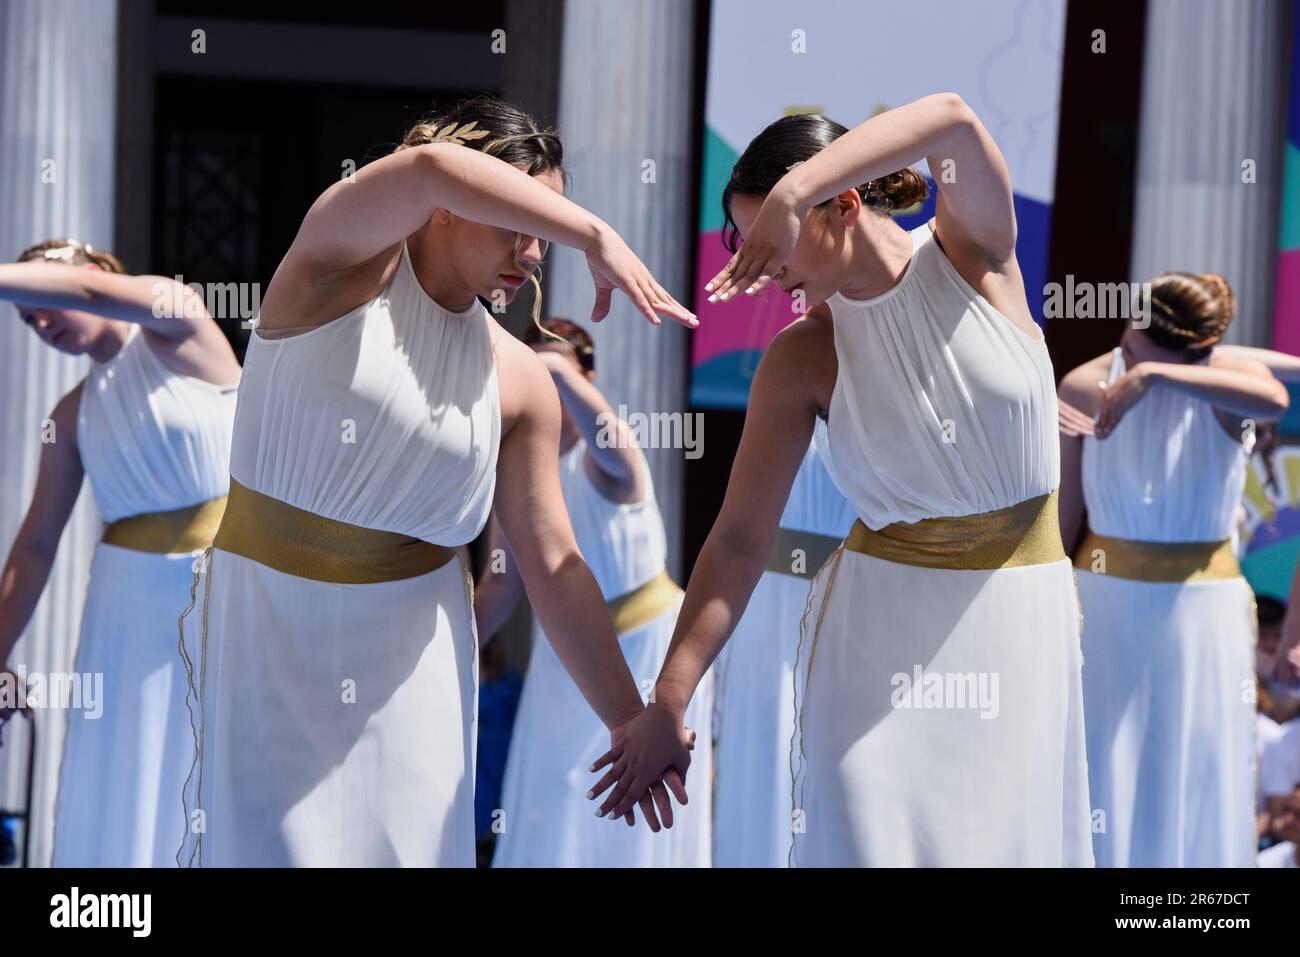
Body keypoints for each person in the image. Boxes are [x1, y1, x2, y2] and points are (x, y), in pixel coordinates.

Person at [175, 96, 697, 867]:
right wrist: (593, 229)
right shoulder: (340, 264)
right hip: (272, 629)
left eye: (548, 235)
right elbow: (424, 168)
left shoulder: (522, 380)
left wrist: (632, 716)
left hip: (418, 656)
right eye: (522, 223)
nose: (535, 250)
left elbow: (553, 562)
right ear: (450, 207)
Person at [590, 93, 1094, 866]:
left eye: (769, 237)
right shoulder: (800, 356)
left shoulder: (972, 253)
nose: (756, 267)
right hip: (872, 648)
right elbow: (738, 537)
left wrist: (795, 188)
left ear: (842, 203)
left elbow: (954, 118)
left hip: (1018, 628)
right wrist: (670, 697)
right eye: (740, 240)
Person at [0, 238, 240, 865]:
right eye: (27, 316)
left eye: (40, 297)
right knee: (128, 766)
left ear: (98, 272)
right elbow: (36, 543)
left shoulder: (179, 318)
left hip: (225, 585)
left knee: (217, 761)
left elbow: (90, 296)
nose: (39, 320)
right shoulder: (71, 415)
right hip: (123, 609)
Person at [1058, 272, 1288, 866]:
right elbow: (1062, 525)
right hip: (1103, 602)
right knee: (1104, 761)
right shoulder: (1085, 385)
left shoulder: (1229, 391)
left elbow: (1281, 396)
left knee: (1199, 759)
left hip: (1202, 612)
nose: (1125, 338)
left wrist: (1156, 374)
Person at [479, 318, 711, 867]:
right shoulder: (513, 475)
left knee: (632, 821)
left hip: (647, 657)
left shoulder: (606, 461)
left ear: (587, 377)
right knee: (557, 798)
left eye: (556, 377)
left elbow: (612, 439)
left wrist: (552, 367)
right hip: (566, 658)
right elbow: (500, 588)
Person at [711, 418, 855, 867]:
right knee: (766, 749)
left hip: (849, 599)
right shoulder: (781, 378)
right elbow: (736, 532)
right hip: (767, 608)